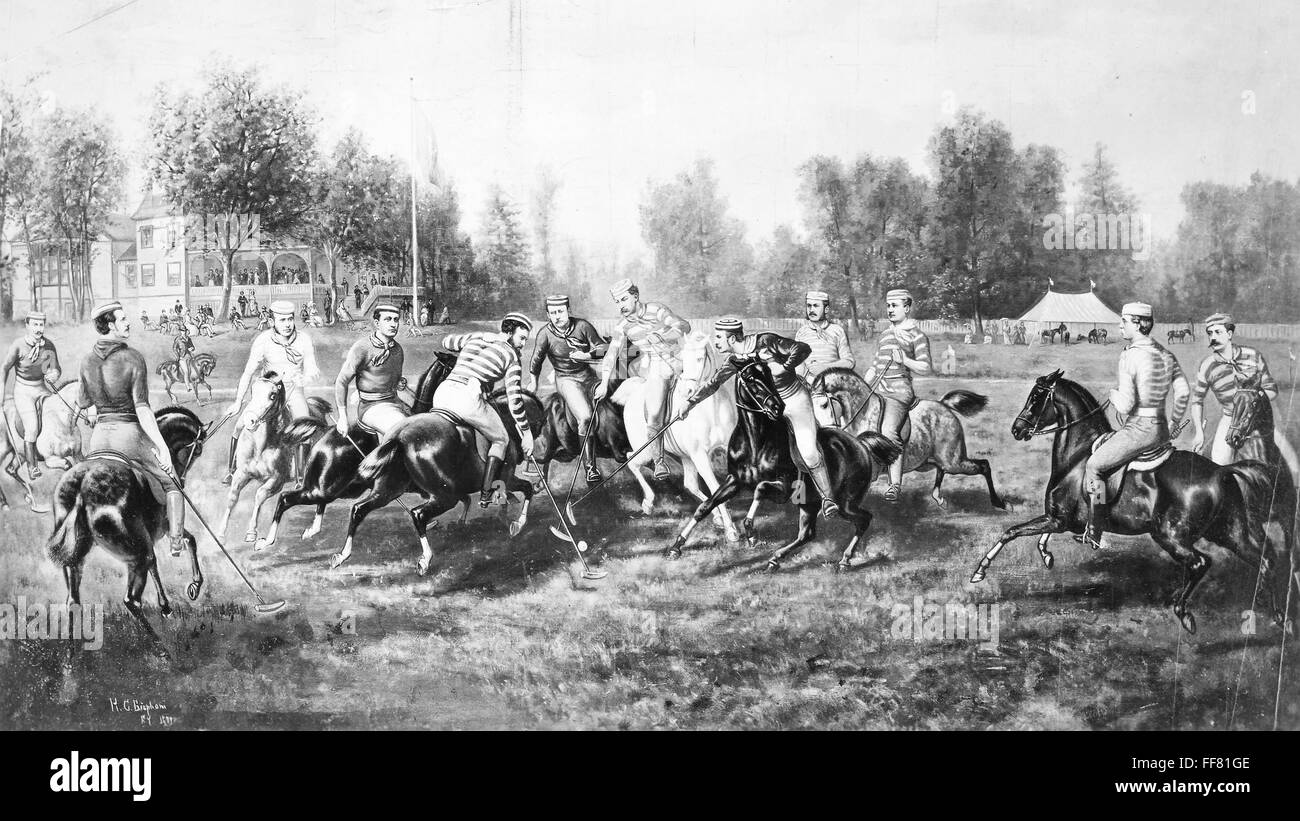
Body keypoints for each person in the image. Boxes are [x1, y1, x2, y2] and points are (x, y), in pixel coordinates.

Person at [677, 318, 840, 519]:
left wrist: (786, 366)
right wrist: (690, 402)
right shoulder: (735, 361)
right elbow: (713, 383)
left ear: (733, 338)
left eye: (719, 337)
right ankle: (786, 490)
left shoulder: (766, 341)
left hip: (794, 401)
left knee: (807, 453)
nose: (716, 342)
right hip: (768, 408)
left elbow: (803, 348)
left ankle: (828, 498)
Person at [77, 301, 187, 555]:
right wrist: (162, 448)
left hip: (98, 439)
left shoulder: (86, 361)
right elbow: (143, 409)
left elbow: (85, 404)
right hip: (128, 437)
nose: (128, 323)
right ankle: (176, 541)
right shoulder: (133, 358)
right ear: (110, 324)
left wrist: (98, 410)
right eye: (123, 319)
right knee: (172, 483)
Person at [1082, 302, 1191, 550]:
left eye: (1124, 321)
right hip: (1161, 428)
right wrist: (1173, 422)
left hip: (1140, 430)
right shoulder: (1166, 354)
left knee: (1094, 465)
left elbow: (1125, 404)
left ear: (1138, 324)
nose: (1120, 325)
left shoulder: (1129, 355)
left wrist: (1113, 394)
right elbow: (1183, 391)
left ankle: (1096, 528)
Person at [594, 278, 691, 481]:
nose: (621, 306)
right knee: (654, 412)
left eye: (624, 300)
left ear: (635, 296)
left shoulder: (656, 309)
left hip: (681, 358)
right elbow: (611, 354)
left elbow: (684, 325)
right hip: (656, 367)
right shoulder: (623, 326)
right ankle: (659, 461)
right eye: (618, 302)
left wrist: (664, 336)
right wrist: (603, 383)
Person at [435, 313, 535, 507]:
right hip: (466, 399)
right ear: (509, 332)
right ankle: (486, 492)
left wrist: (482, 335)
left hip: (442, 393)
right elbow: (514, 402)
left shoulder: (478, 337)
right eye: (521, 338)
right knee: (502, 439)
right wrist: (527, 433)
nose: (523, 344)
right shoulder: (512, 356)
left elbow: (447, 342)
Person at [223, 300, 322, 484]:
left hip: (293, 391)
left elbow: (313, 369)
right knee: (239, 425)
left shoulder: (304, 339)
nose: (287, 324)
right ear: (272, 320)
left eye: (290, 319)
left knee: (304, 430)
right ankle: (231, 470)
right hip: (267, 393)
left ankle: (300, 476)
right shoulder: (263, 340)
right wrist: (238, 402)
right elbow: (248, 372)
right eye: (282, 320)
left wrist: (305, 378)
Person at [1189, 312, 1295, 467]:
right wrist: (1199, 431)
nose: (1213, 337)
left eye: (1218, 332)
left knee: (1291, 464)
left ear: (1230, 333)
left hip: (1257, 420)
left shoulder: (1253, 355)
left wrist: (1252, 399)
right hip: (1230, 421)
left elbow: (1271, 389)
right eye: (1210, 333)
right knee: (1220, 465)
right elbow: (1197, 401)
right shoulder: (1207, 366)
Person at [529, 294, 610, 482]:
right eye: (553, 313)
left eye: (560, 312)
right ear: (548, 315)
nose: (557, 316)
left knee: (614, 400)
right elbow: (536, 360)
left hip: (589, 376)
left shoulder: (582, 326)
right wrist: (533, 382)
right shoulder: (545, 334)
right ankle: (590, 467)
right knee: (585, 416)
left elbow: (604, 348)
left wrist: (587, 354)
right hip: (566, 380)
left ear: (569, 311)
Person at [862, 288, 932, 502]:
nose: (890, 310)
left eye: (895, 306)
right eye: (889, 306)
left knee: (888, 431)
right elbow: (875, 366)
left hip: (899, 392)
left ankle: (894, 484)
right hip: (878, 391)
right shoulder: (884, 335)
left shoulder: (917, 335)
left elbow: (926, 367)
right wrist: (862, 389)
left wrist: (904, 360)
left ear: (907, 308)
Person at [1, 311, 62, 479]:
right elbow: (4, 368)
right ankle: (32, 466)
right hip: (24, 390)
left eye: (41, 325)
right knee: (32, 427)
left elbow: (55, 368)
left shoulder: (48, 345)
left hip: (41, 388)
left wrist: (54, 374)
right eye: (35, 325)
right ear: (27, 325)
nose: (38, 328)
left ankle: (55, 451)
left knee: (58, 415)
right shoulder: (19, 345)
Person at [335, 304, 407, 439]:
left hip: (395, 403)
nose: (393, 324)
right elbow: (341, 381)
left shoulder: (398, 349)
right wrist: (342, 418)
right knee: (403, 433)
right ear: (377, 323)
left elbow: (391, 380)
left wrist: (399, 383)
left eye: (396, 320)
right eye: (388, 319)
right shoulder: (362, 347)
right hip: (370, 407)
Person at [795, 288, 855, 425]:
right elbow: (798, 365)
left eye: (816, 306)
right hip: (808, 385)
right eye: (809, 306)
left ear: (826, 309)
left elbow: (849, 362)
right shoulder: (802, 333)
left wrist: (824, 368)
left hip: (835, 385)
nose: (811, 310)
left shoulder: (837, 331)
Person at [172, 324, 195, 388]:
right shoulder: (178, 339)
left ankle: (195, 382)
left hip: (190, 356)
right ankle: (188, 386)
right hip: (182, 357)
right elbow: (174, 348)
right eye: (182, 331)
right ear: (180, 331)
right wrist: (178, 356)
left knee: (194, 369)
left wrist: (192, 348)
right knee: (186, 371)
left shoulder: (188, 338)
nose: (183, 332)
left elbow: (192, 346)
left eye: (184, 331)